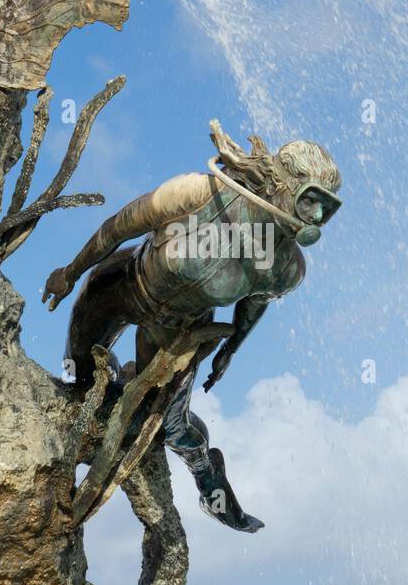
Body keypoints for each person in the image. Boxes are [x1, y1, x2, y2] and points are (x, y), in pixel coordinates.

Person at [43, 121, 341, 532]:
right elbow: (119, 226)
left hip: (179, 331)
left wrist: (230, 350)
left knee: (171, 426)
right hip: (119, 288)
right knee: (78, 378)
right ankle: (107, 388)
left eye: (329, 207)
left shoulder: (286, 268)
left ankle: (212, 487)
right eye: (312, 201)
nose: (319, 216)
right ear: (280, 185)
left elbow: (255, 305)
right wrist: (71, 271)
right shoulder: (201, 193)